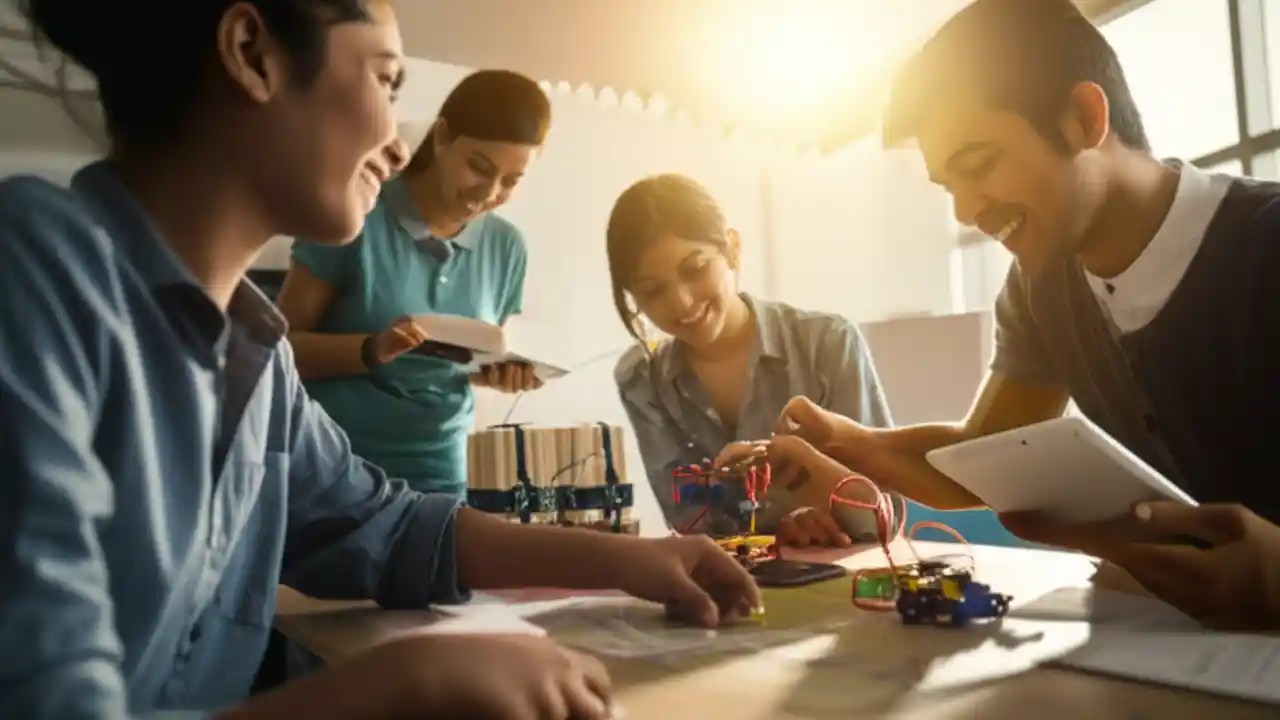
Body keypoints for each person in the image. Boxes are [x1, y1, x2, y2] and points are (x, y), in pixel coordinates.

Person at [0, 3, 761, 718]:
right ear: (250, 53)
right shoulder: (34, 273)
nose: (400, 144)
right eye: (385, 79)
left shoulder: (257, 364)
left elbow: (386, 526)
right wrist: (405, 684)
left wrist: (624, 561)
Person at [768, 0, 1280, 630]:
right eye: (947, 185)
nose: (965, 211)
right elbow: (981, 458)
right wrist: (845, 441)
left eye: (979, 165)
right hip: (1161, 642)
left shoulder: (1265, 242)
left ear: (1085, 117)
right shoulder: (1040, 288)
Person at [277, 68, 547, 496]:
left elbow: (453, 366)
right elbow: (277, 350)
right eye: (479, 166)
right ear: (442, 138)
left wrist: (499, 372)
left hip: (443, 476)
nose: (489, 192)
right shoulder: (360, 211)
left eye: (511, 181)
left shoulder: (507, 246)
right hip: (334, 470)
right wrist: (371, 349)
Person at [609, 174, 892, 547]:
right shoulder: (641, 379)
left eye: (694, 269)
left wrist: (793, 491)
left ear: (732, 248)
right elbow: (687, 519)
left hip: (848, 573)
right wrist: (776, 510)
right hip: (728, 586)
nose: (682, 302)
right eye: (653, 290)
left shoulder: (828, 344)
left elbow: (885, 512)